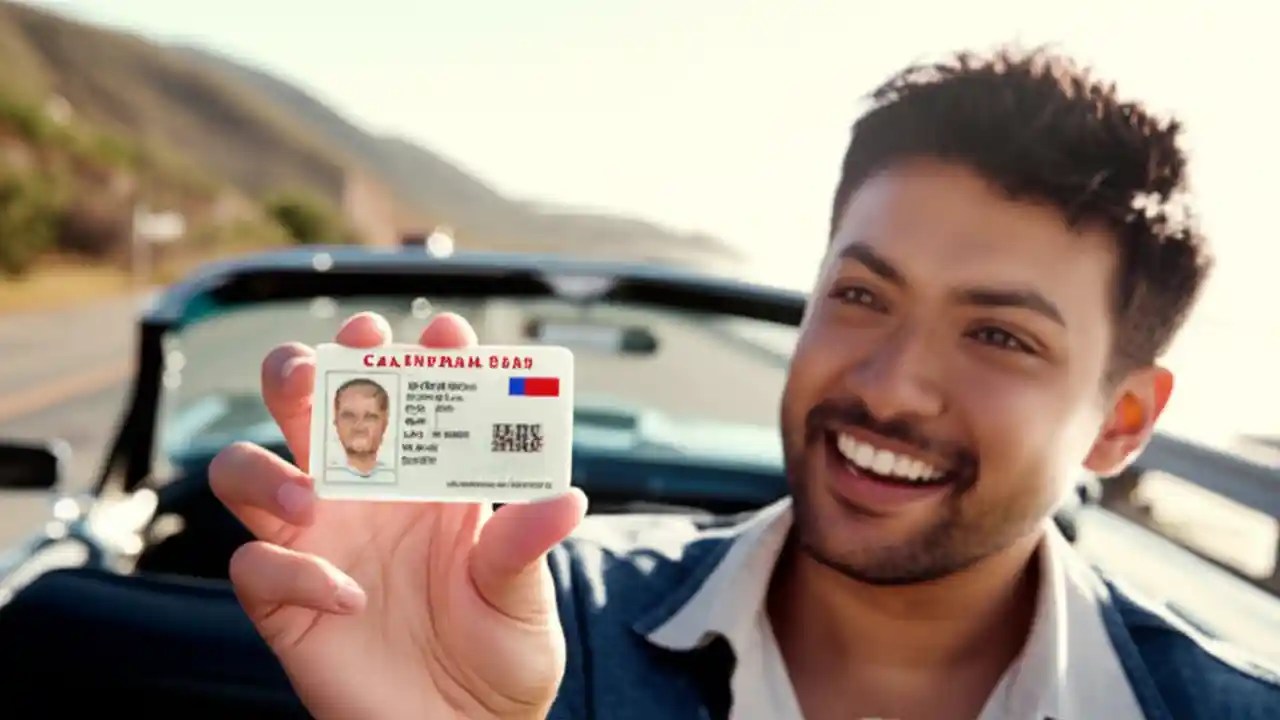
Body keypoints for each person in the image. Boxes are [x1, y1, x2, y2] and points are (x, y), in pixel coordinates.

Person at [208, 46, 1280, 719]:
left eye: (997, 337)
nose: (892, 386)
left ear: (1120, 421)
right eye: (861, 295)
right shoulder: (523, 618)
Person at [329, 377, 392, 479]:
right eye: (349, 416)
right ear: (336, 421)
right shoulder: (322, 478)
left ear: (384, 423)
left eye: (369, 417)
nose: (359, 426)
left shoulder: (398, 480)